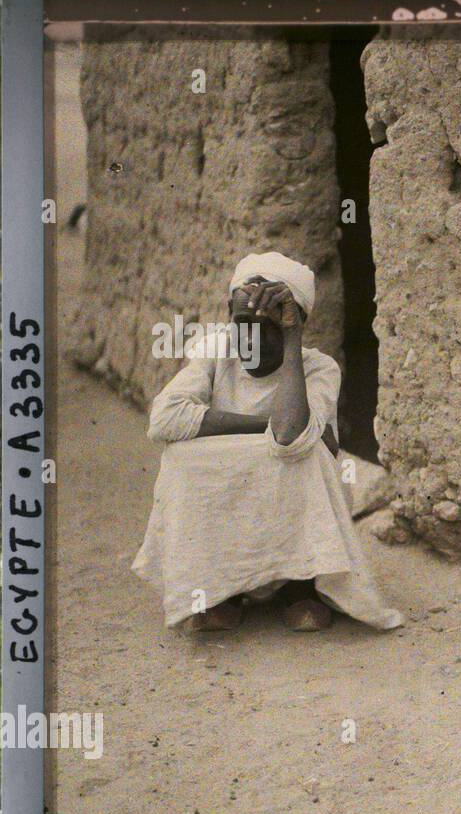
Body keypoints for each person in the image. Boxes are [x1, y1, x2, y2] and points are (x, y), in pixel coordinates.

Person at [133, 252, 402, 634]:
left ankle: (299, 585)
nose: (252, 338)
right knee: (181, 458)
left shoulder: (317, 367)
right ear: (229, 315)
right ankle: (222, 590)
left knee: (304, 457)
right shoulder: (216, 351)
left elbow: (290, 437)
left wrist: (292, 341)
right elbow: (164, 419)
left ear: (297, 324)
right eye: (243, 323)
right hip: (233, 517)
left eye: (270, 325)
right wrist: (264, 426)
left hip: (290, 508)